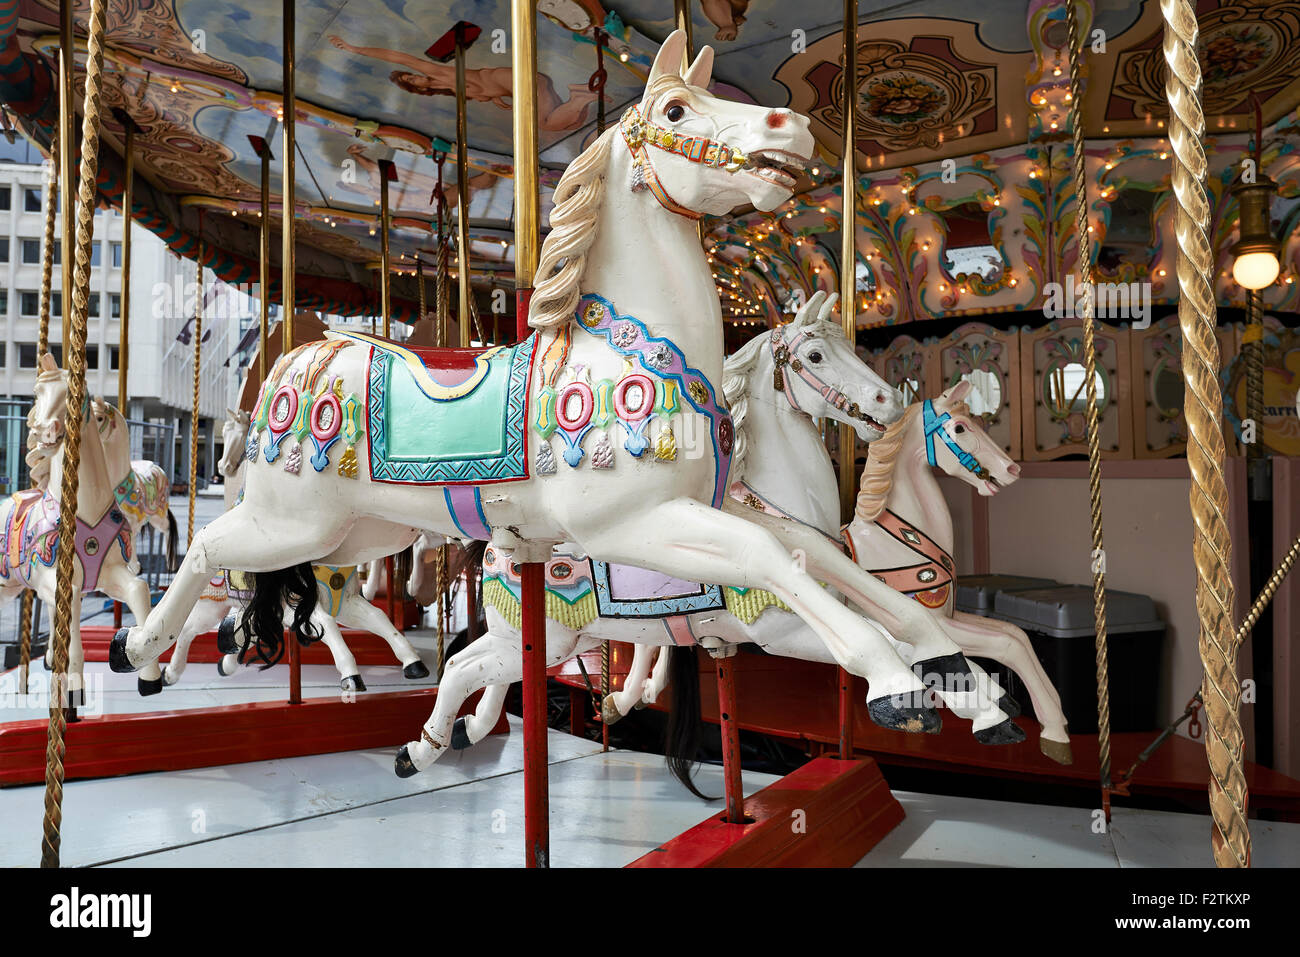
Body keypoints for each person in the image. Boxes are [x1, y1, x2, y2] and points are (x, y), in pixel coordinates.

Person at [328, 36, 598, 132]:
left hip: (518, 80)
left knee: (546, 123)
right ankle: (579, 96)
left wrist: (354, 48)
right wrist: (495, 97)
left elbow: (397, 56)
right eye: (412, 81)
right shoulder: (450, 88)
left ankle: (580, 96)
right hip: (516, 85)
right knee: (571, 123)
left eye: (412, 75)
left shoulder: (438, 74)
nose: (416, 77)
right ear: (418, 89)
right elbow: (480, 86)